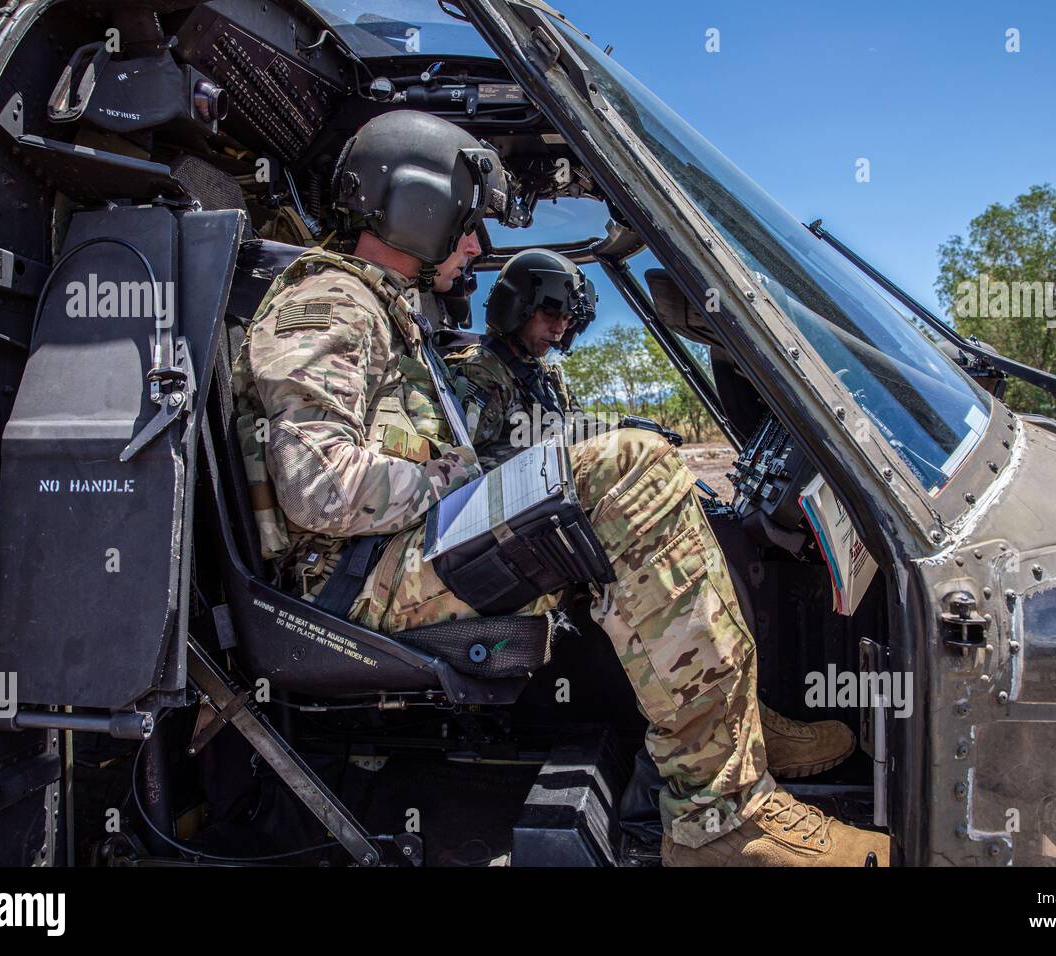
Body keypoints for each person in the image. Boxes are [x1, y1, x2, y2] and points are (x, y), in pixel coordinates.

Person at [232, 109, 887, 866]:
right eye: (468, 224)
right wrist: (460, 477)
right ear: (419, 206)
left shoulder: (384, 312)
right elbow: (321, 491)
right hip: (352, 586)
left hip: (389, 554)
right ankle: (723, 823)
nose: (476, 246)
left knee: (627, 485)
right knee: (633, 471)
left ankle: (728, 735)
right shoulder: (332, 302)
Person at [446, 248, 590, 469]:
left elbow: (579, 425)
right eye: (549, 313)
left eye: (568, 319)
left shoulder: (544, 373)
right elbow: (458, 465)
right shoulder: (481, 372)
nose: (559, 328)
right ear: (516, 306)